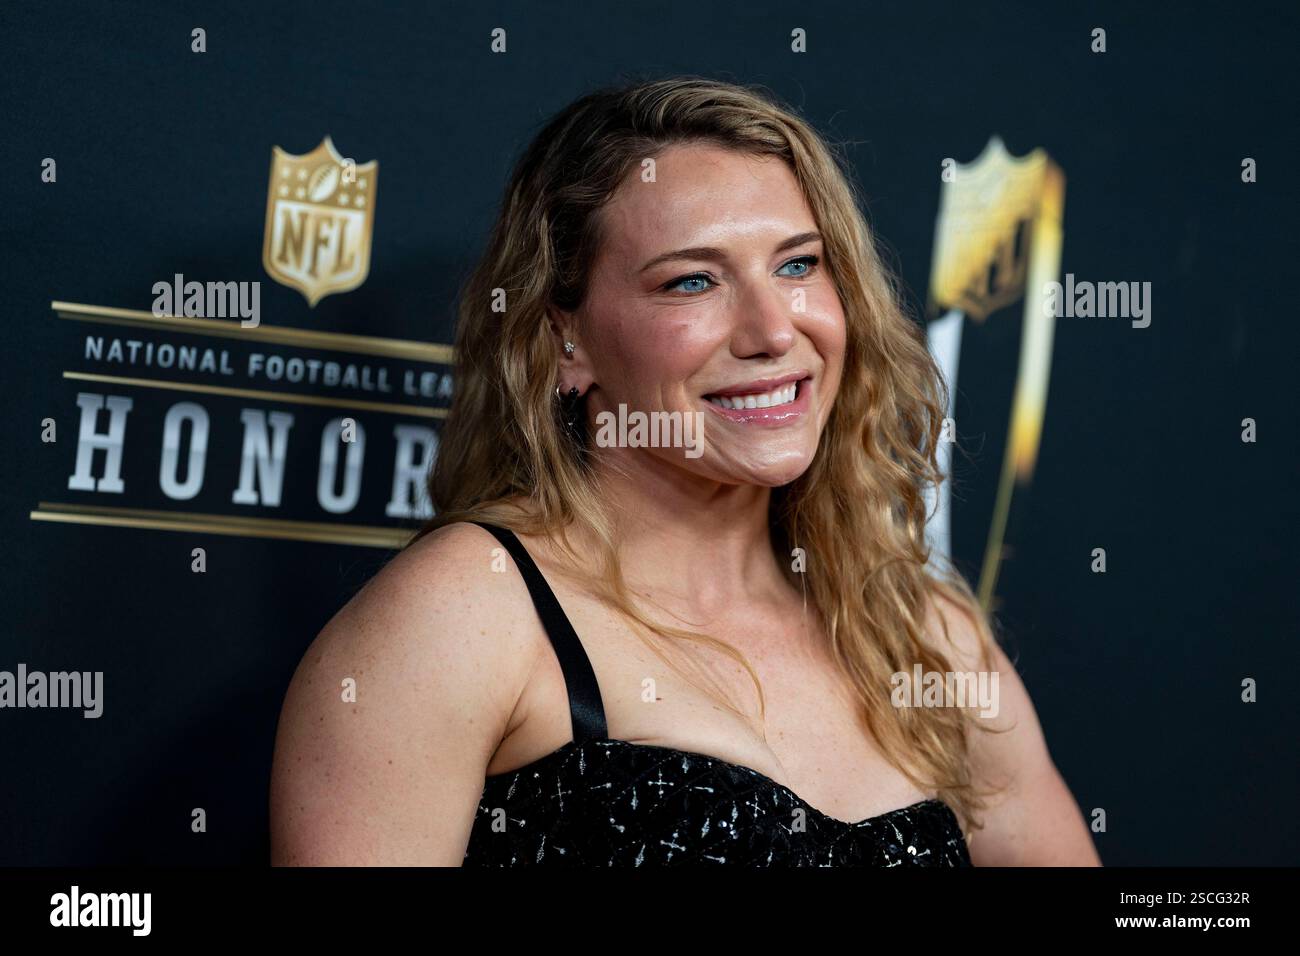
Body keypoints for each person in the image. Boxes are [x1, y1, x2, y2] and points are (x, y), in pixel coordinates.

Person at [269, 76, 1101, 867]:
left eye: (798, 265)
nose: (773, 331)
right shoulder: (464, 617)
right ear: (565, 341)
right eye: (693, 281)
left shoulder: (922, 634)